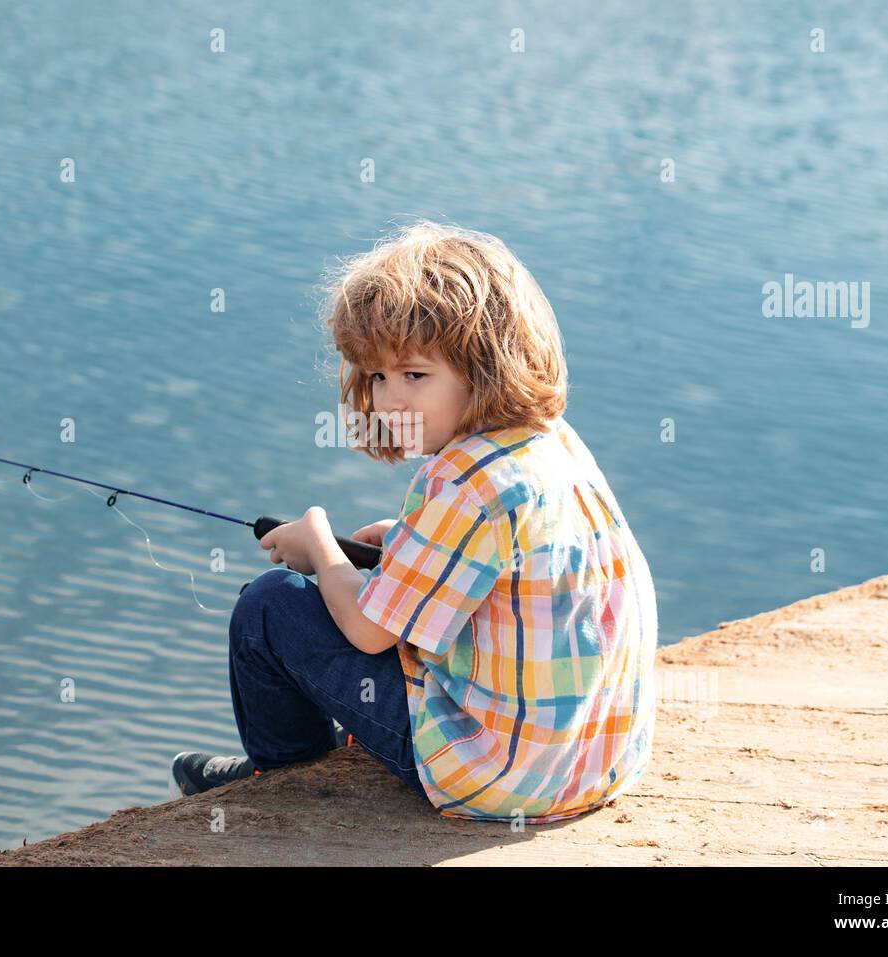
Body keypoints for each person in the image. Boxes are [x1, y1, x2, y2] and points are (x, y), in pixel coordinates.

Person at [170, 221, 658, 823]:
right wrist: (406, 542)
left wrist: (321, 548)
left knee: (270, 606)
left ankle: (283, 773)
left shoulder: (460, 479)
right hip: (593, 765)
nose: (389, 400)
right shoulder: (550, 445)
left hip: (498, 781)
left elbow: (371, 632)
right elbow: (513, 563)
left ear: (485, 366)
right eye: (377, 376)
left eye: (414, 375)